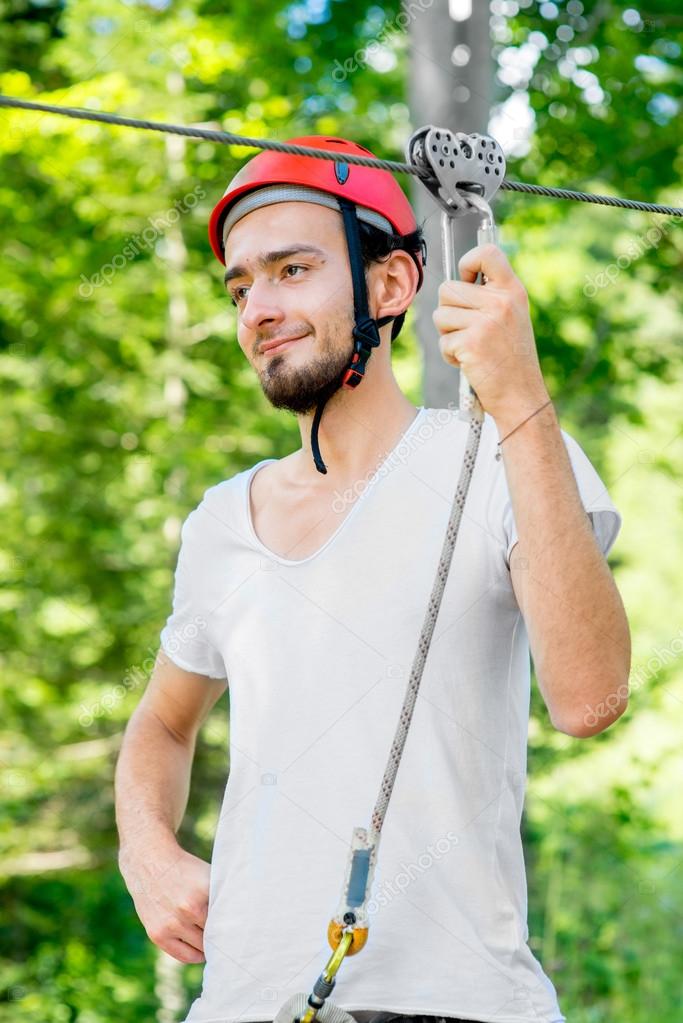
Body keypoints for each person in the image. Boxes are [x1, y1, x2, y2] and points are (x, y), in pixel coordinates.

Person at [115, 136, 631, 1023]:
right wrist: (146, 851)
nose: (257, 309)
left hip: (462, 1005)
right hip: (242, 1005)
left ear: (390, 287)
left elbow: (588, 699)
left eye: (291, 270)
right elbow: (162, 721)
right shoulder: (219, 522)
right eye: (241, 287)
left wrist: (519, 395)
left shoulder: (505, 453)